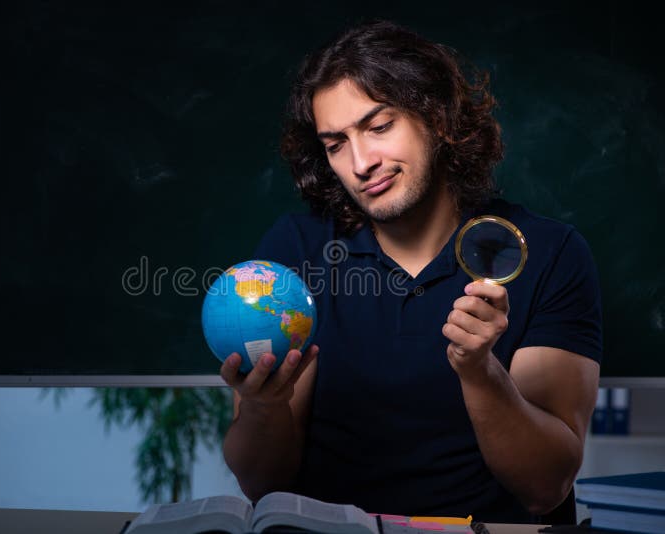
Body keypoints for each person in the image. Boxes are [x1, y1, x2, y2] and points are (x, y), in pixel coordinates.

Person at [220, 20, 602, 524]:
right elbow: (260, 482)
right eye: (335, 144)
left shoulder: (549, 252)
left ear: (438, 119)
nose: (360, 163)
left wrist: (480, 372)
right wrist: (263, 406)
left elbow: (544, 488)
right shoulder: (295, 250)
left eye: (379, 127)